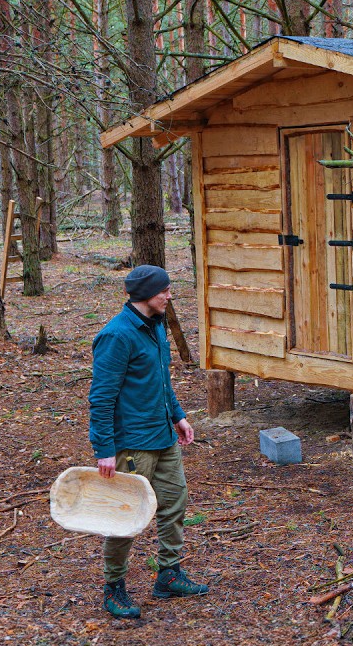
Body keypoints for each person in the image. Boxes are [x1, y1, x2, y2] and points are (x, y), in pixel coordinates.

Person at [88, 265, 209, 619]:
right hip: (132, 444)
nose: (169, 296)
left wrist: (178, 416)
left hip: (163, 436)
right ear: (145, 295)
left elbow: (161, 380)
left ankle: (168, 575)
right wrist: (105, 450)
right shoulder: (117, 336)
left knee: (174, 502)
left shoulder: (155, 327)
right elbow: (101, 398)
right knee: (126, 517)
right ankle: (114, 588)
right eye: (164, 291)